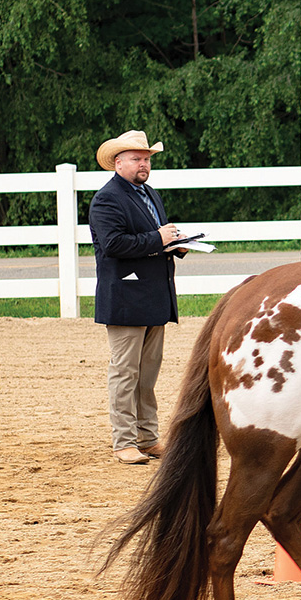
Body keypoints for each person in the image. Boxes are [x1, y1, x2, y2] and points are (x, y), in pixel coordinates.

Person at [88, 130, 187, 464]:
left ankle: (147, 437)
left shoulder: (149, 194)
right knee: (125, 372)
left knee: (147, 375)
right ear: (118, 163)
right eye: (136, 159)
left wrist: (175, 243)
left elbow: (150, 239)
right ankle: (124, 441)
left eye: (146, 159)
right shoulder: (107, 199)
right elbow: (114, 244)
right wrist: (159, 238)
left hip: (153, 296)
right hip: (126, 297)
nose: (144, 164)